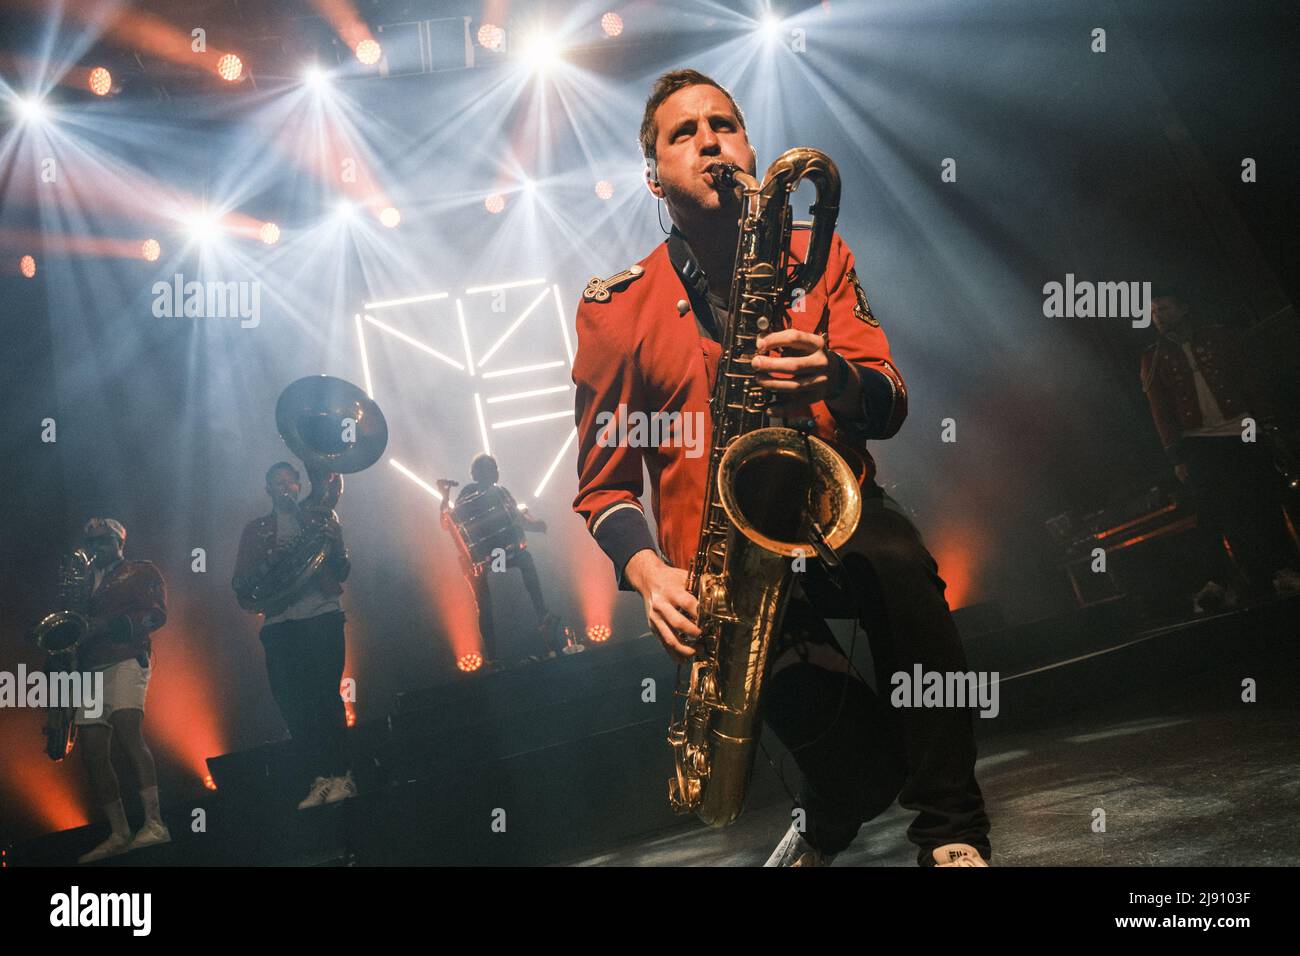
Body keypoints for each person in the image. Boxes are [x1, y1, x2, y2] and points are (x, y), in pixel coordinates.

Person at [571, 69, 992, 867]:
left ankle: (954, 830)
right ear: (653, 175)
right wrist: (651, 574)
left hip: (835, 505)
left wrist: (834, 376)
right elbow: (604, 483)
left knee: (905, 570)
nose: (709, 140)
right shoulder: (614, 308)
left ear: (753, 150)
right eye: (683, 132)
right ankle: (835, 813)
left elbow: (890, 400)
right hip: (725, 556)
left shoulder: (816, 255)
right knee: (861, 763)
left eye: (724, 124)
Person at [1141, 294, 1300, 610]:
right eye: (1154, 311)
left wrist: (1264, 424)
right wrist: (1176, 455)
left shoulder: (1219, 337)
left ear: (1184, 308)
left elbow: (1246, 380)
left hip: (1241, 428)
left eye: (1165, 308)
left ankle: (1284, 570)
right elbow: (1160, 410)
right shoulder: (1154, 357)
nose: (1158, 315)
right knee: (1216, 513)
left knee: (1265, 501)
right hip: (1198, 442)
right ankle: (1235, 582)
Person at [233, 462, 356, 810]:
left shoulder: (322, 519)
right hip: (279, 624)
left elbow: (342, 569)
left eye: (291, 481)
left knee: (325, 698)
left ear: (300, 486)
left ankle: (342, 774)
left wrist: (339, 543)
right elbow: (241, 582)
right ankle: (319, 778)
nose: (286, 487)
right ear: (268, 490)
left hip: (321, 616)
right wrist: (272, 566)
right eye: (278, 483)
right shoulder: (255, 530)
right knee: (293, 705)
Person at [72, 517, 170, 863]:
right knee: (93, 752)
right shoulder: (82, 583)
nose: (95, 548)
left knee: (130, 734)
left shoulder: (141, 570)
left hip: (127, 658)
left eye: (101, 541)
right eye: (90, 542)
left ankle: (155, 823)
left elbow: (157, 615)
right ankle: (119, 831)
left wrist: (108, 626)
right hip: (89, 668)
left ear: (118, 541)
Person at [439, 454, 559, 667]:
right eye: (493, 468)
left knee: (487, 601)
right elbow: (450, 523)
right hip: (487, 558)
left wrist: (534, 524)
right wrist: (536, 524)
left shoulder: (487, 492)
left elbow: (448, 522)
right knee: (487, 601)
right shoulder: (486, 493)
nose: (496, 472)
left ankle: (496, 655)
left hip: (493, 557)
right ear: (481, 473)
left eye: (495, 468)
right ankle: (540, 616)